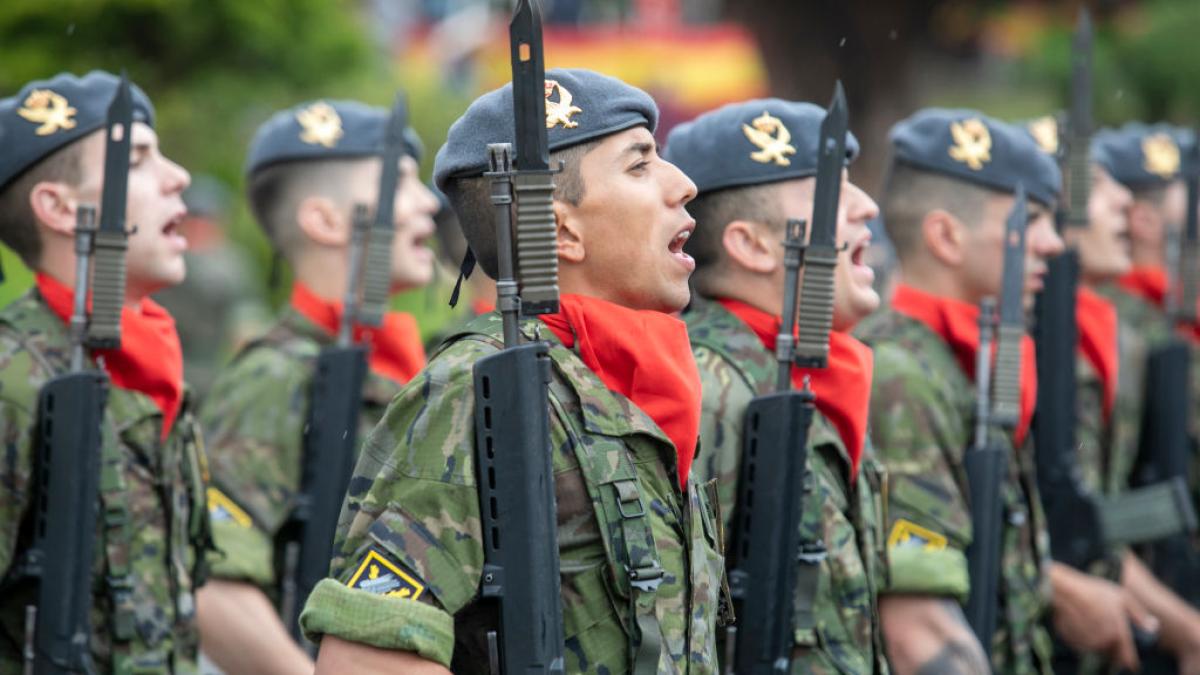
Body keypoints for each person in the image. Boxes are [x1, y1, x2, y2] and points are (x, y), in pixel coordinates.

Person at [299, 67, 728, 674]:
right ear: (559, 228)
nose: (682, 185)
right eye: (639, 165)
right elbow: (365, 660)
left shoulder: (621, 389)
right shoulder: (477, 390)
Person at [859, 109, 1154, 674]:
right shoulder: (902, 372)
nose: (1051, 244)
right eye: (1029, 223)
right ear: (946, 235)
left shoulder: (962, 360)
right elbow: (918, 627)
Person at [194, 99, 439, 675]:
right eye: (400, 184)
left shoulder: (410, 365)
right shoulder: (277, 376)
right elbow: (214, 590)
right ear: (325, 220)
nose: (429, 203)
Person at [663, 98, 888, 673]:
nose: (867, 206)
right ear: (753, 244)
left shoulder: (813, 380)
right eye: (831, 193)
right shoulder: (708, 391)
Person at [0, 70, 210, 672]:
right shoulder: (17, 382)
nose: (179, 177)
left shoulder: (152, 370)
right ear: (60, 208)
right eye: (138, 159)